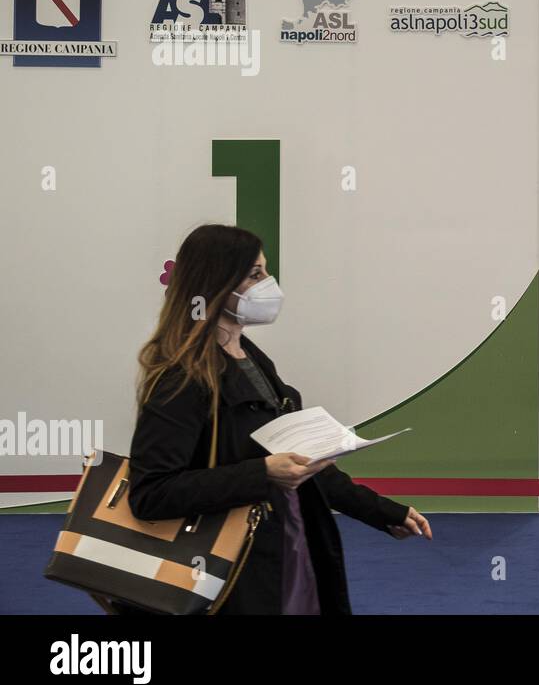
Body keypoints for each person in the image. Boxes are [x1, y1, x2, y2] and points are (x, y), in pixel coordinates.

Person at [126, 224, 431, 615]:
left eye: (265, 271)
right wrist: (263, 473)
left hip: (284, 550)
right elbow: (152, 493)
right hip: (225, 571)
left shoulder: (252, 359)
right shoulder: (181, 378)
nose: (269, 284)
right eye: (255, 274)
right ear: (217, 283)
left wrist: (383, 512)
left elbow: (305, 465)